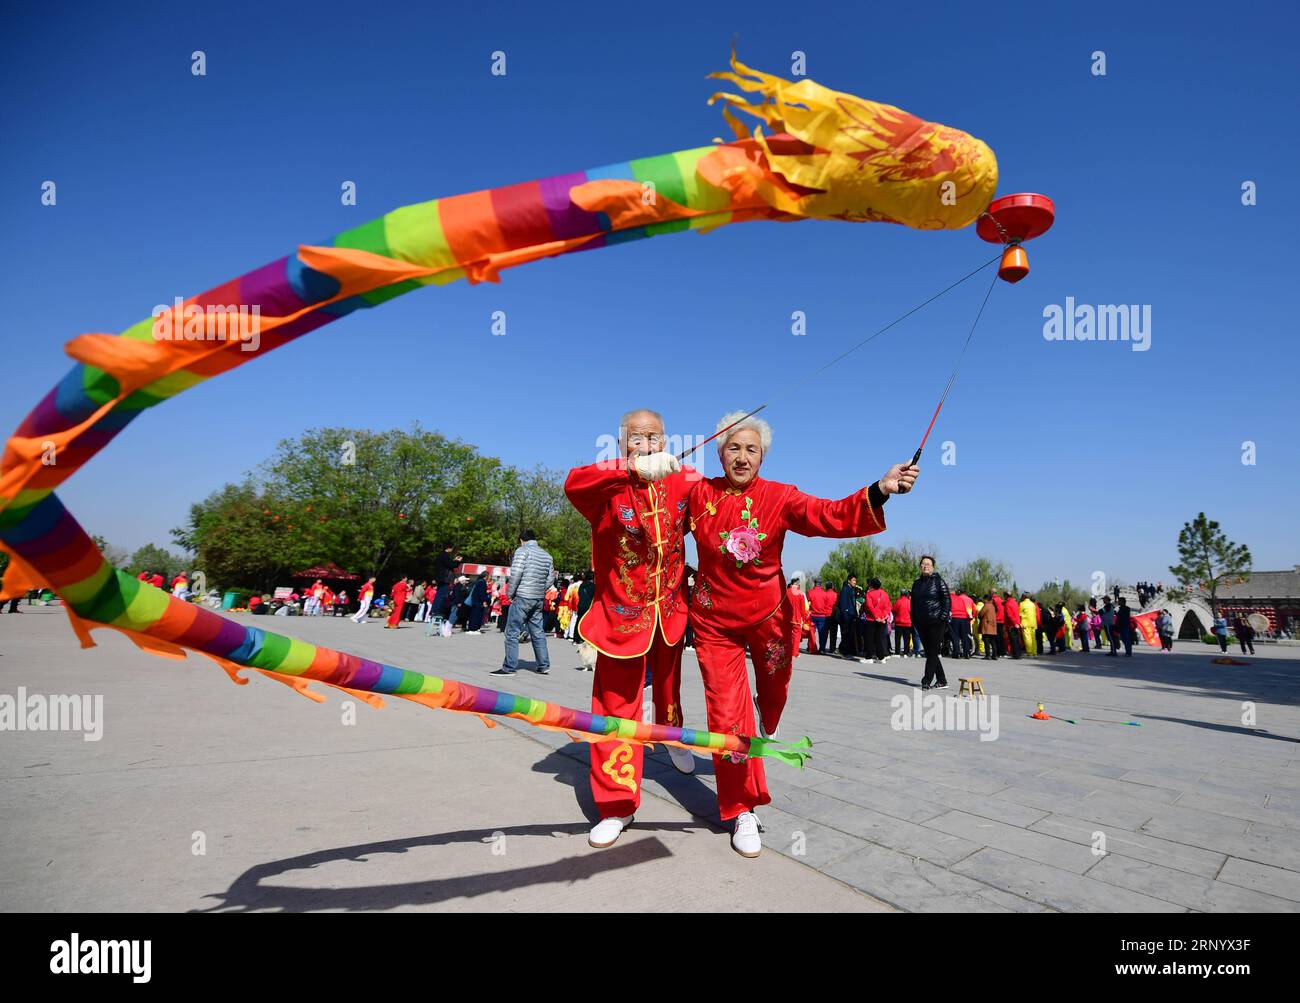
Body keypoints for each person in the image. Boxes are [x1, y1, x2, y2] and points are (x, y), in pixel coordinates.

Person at [676, 411, 914, 857]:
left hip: (769, 619)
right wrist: (649, 461)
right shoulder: (699, 494)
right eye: (733, 447)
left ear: (762, 456)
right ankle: (742, 807)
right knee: (728, 714)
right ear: (718, 451)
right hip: (713, 623)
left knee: (772, 697)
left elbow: (829, 515)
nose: (741, 457)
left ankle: (759, 727)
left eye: (751, 449)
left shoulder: (780, 496)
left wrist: (880, 490)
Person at [564, 408, 696, 848]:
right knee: (616, 709)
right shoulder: (605, 484)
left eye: (654, 437)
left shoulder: (681, 477)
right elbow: (573, 482)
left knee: (670, 690)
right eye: (636, 439)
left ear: (667, 440)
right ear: (621, 444)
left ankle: (673, 738)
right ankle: (617, 804)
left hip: (672, 612)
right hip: (622, 617)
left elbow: (723, 506)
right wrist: (632, 469)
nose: (646, 444)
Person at [495, 531, 554, 674]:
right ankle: (543, 665)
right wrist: (540, 589)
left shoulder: (522, 551)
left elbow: (515, 574)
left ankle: (509, 667)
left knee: (512, 632)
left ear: (522, 540)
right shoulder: (547, 556)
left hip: (522, 596)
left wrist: (510, 594)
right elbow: (550, 579)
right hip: (538, 598)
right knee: (538, 632)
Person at [911, 556, 951, 687]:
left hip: (936, 622)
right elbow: (913, 603)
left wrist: (942, 618)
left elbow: (947, 601)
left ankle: (926, 680)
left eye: (928, 564)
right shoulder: (916, 583)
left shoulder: (939, 582)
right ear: (920, 566)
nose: (925, 566)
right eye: (923, 564)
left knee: (932, 652)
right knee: (930, 652)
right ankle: (942, 680)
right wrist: (914, 619)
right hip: (921, 623)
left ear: (933, 567)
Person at [862, 578, 891, 663]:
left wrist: (876, 617)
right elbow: (888, 607)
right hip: (882, 620)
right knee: (880, 639)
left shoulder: (869, 594)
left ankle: (869, 657)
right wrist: (883, 617)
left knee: (869, 638)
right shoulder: (885, 594)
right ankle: (881, 657)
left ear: (871, 585)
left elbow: (869, 606)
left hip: (871, 619)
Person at [837, 576, 860, 658]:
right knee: (846, 634)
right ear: (849, 581)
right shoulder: (845, 589)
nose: (855, 582)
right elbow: (843, 604)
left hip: (851, 615)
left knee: (849, 634)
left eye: (855, 580)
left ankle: (843, 649)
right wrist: (845, 615)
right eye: (853, 580)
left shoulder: (851, 589)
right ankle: (844, 652)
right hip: (846, 616)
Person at [893, 589, 914, 657]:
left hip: (899, 622)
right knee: (907, 639)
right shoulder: (909, 602)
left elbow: (894, 610)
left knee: (897, 638)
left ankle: (897, 652)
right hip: (908, 623)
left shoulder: (898, 601)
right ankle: (906, 652)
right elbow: (912, 612)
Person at [1003, 590, 1024, 659]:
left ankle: (1016, 654)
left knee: (1013, 640)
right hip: (1016, 623)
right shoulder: (1015, 602)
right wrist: (1018, 622)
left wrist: (1014, 623)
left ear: (1006, 596)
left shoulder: (1007, 603)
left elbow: (1009, 615)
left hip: (1011, 624)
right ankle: (1019, 653)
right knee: (1017, 640)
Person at [979, 593, 998, 660]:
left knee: (986, 641)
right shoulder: (993, 606)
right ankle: (994, 655)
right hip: (993, 626)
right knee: (993, 642)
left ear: (986, 599)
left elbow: (981, 614)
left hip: (987, 626)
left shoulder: (986, 605)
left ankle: (988, 655)